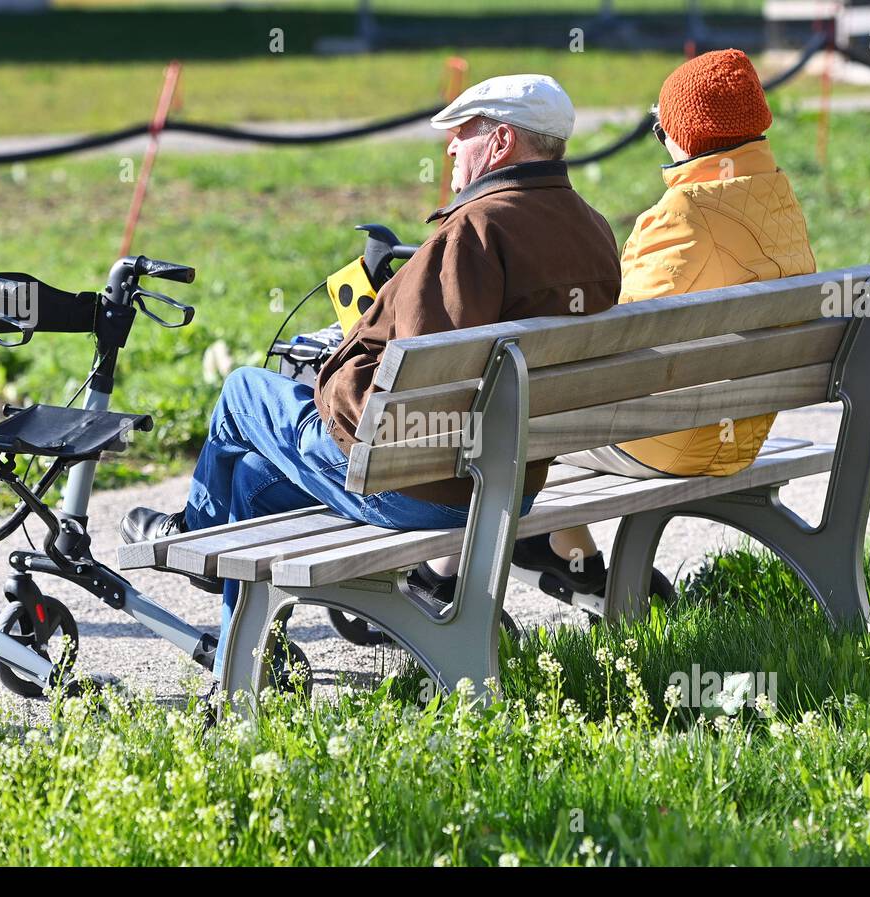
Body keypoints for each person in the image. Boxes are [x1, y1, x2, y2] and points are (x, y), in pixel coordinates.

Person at [121, 74, 622, 677]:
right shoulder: (592, 229)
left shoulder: (474, 232)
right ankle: (244, 663)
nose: (451, 149)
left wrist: (333, 386)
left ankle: (193, 540)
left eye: (462, 136)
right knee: (251, 481)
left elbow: (411, 400)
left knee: (243, 391)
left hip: (425, 483)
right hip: (516, 476)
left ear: (502, 142)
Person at [510, 48, 819, 597]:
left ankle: (443, 581)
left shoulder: (684, 215)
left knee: (506, 420)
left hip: (674, 438)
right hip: (743, 429)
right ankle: (566, 553)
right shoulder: (778, 200)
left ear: (688, 135)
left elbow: (613, 337)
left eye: (662, 129)